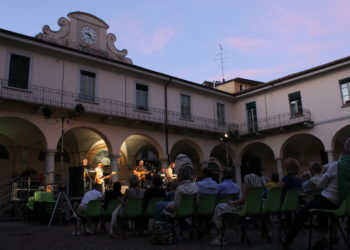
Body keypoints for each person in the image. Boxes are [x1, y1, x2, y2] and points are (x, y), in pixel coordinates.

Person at [280, 138, 350, 250]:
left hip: (329, 200)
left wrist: (323, 174)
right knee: (320, 207)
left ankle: (287, 240)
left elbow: (321, 185)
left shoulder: (336, 165)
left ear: (345, 150)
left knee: (301, 213)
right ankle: (322, 238)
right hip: (343, 204)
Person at [211, 156, 266, 245]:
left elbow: (242, 201)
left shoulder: (249, 177)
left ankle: (221, 236)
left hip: (246, 208)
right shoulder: (263, 178)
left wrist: (233, 202)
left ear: (249, 165)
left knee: (219, 207)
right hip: (257, 207)